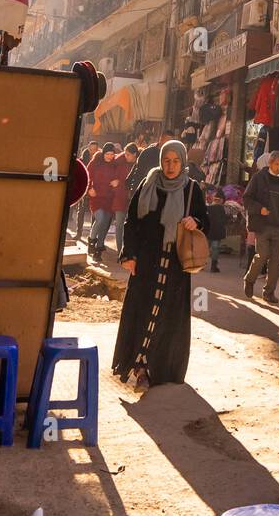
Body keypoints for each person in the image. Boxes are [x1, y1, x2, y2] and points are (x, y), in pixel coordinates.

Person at [112, 140, 209, 390]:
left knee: (168, 318)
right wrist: (129, 255)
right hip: (147, 263)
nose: (171, 166)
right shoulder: (148, 184)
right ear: (160, 160)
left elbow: (207, 222)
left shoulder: (191, 189)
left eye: (176, 161)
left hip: (176, 266)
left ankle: (162, 368)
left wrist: (194, 221)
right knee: (142, 311)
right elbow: (131, 222)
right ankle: (140, 366)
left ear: (183, 162)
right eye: (167, 160)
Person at [243, 151, 279, 302]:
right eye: (277, 164)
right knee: (262, 255)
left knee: (275, 262)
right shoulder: (258, 178)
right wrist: (259, 209)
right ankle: (249, 280)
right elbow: (247, 198)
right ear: (270, 163)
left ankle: (269, 292)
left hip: (278, 226)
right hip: (262, 226)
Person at [86, 144, 124, 265]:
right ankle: (92, 240)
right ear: (103, 153)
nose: (110, 156)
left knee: (105, 224)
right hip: (96, 197)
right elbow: (86, 176)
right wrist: (89, 189)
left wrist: (118, 182)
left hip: (109, 198)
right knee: (100, 219)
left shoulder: (115, 164)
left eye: (112, 154)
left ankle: (98, 249)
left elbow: (122, 177)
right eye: (107, 154)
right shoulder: (95, 162)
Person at [128, 128, 177, 193]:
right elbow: (138, 172)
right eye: (167, 141)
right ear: (161, 139)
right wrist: (135, 192)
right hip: (146, 189)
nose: (169, 144)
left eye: (171, 142)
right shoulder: (148, 152)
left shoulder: (172, 156)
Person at [74, 139, 100, 239]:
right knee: (81, 212)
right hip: (85, 188)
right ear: (89, 149)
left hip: (95, 189)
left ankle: (93, 235)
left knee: (95, 212)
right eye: (91, 149)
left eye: (95, 149)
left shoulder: (99, 159)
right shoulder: (83, 159)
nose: (93, 151)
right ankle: (78, 233)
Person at [206, 189, 227, 272]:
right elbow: (224, 221)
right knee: (215, 249)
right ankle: (213, 267)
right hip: (217, 233)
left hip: (208, 232)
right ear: (221, 200)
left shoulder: (208, 208)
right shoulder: (222, 209)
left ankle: (200, 264)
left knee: (205, 248)